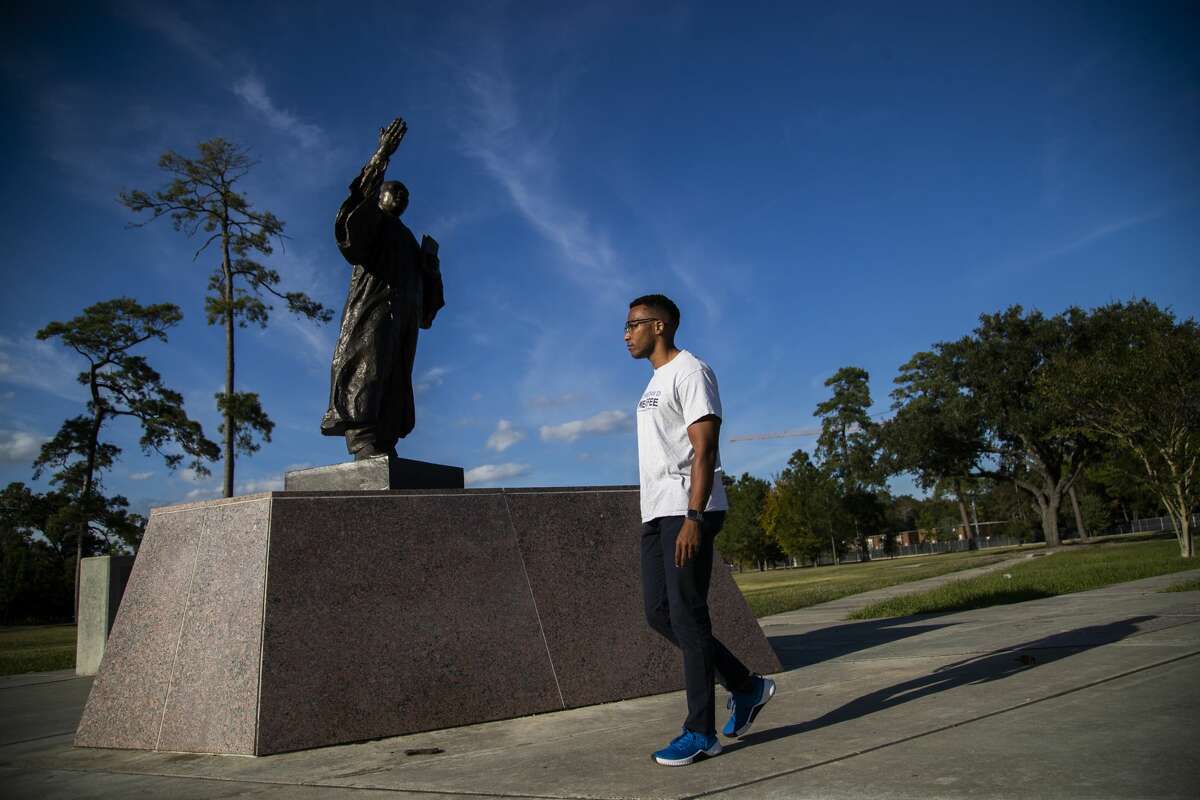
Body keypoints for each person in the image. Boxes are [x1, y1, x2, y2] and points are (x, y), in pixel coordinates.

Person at [624, 293, 775, 767]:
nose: (626, 334)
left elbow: (704, 447)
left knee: (689, 616)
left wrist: (693, 516)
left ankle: (700, 732)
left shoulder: (691, 371)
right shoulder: (654, 382)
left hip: (688, 510)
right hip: (657, 511)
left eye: (634, 325)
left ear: (660, 326)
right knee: (659, 613)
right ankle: (747, 686)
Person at [320, 118, 445, 458]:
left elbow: (428, 301)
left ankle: (385, 436)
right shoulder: (373, 221)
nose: (401, 196)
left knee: (396, 373)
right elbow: (357, 207)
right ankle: (362, 437)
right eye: (394, 190)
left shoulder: (407, 238)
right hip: (373, 308)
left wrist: (430, 269)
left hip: (403, 315)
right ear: (381, 195)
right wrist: (381, 155)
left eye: (406, 194)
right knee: (368, 364)